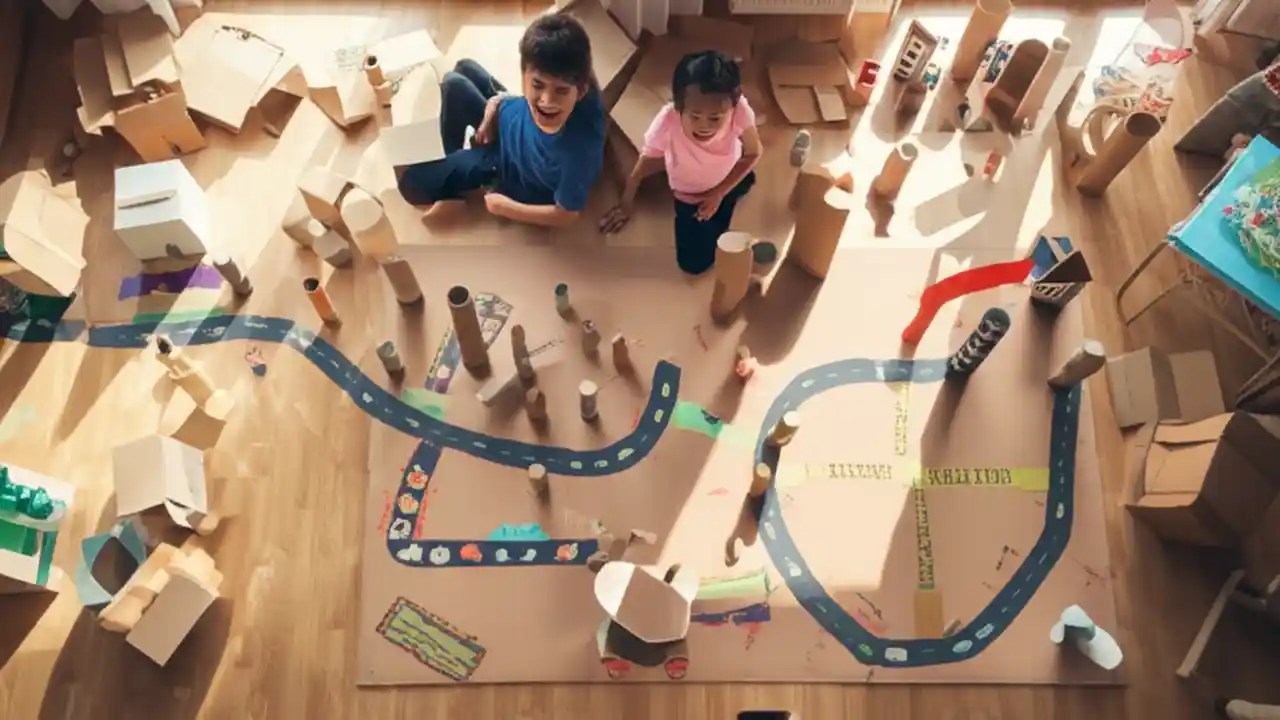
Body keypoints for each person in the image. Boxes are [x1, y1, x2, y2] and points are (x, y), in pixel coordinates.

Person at [397, 14, 606, 228]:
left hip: (505, 162)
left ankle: (455, 170)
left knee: (410, 183)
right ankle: (452, 159)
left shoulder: (579, 150)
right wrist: (496, 104)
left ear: (581, 91)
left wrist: (505, 207)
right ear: (524, 77)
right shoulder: (576, 71)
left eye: (561, 91)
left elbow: (567, 214)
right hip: (509, 119)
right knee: (459, 73)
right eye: (537, 85)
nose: (547, 100)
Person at [600, 50, 761, 275]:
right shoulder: (666, 122)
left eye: (715, 118)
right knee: (693, 265)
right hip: (692, 195)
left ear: (732, 108)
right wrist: (626, 203)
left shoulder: (740, 109)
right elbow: (643, 165)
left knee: (744, 181)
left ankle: (731, 196)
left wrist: (719, 193)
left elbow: (753, 153)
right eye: (695, 116)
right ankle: (723, 205)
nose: (704, 126)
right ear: (678, 107)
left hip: (728, 175)